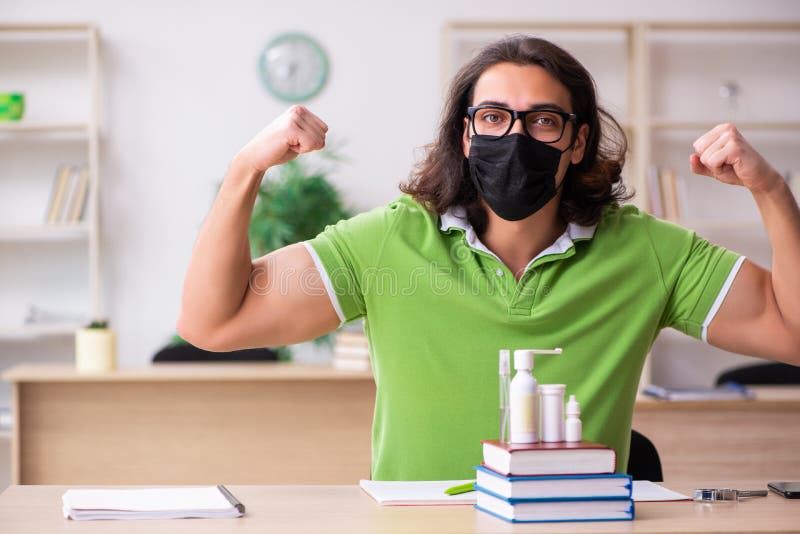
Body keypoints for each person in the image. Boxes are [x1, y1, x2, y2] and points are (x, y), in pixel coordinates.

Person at [178, 35, 800, 481]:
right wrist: (245, 170)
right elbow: (214, 322)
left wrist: (771, 192)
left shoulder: (647, 251)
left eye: (544, 122)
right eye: (496, 118)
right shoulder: (388, 245)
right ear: (467, 134)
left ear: (579, 141)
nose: (517, 138)